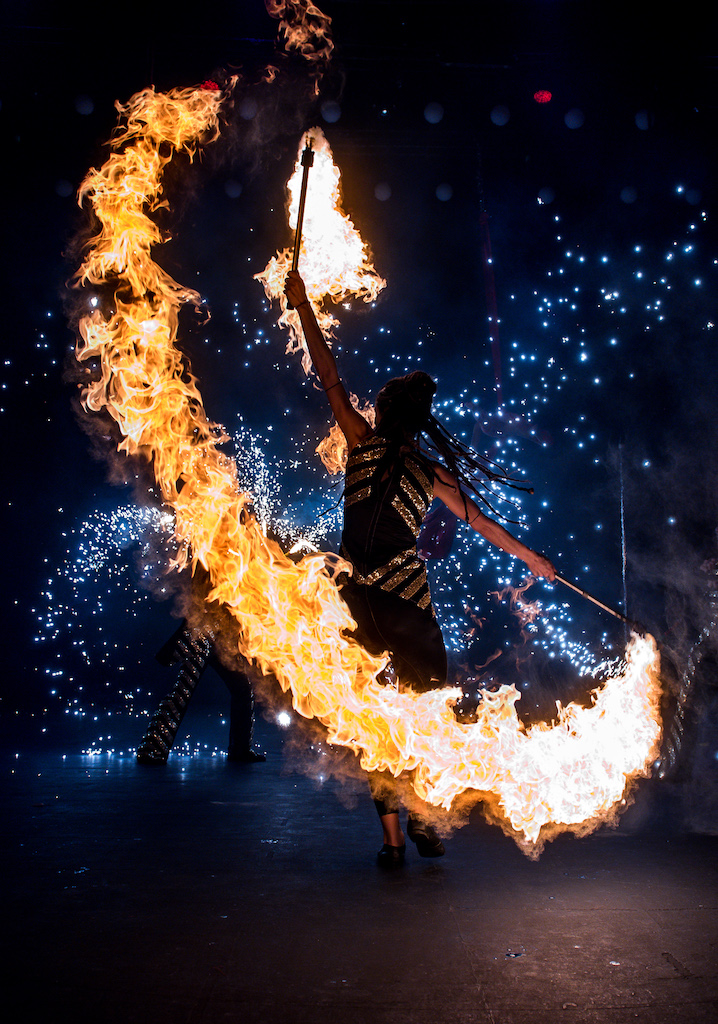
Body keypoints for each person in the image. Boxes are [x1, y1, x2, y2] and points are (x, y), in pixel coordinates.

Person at [284, 271, 555, 865]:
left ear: (382, 415)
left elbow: (327, 375)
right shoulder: (433, 474)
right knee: (427, 706)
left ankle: (393, 841)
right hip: (407, 604)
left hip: (359, 604)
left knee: (380, 715)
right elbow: (483, 526)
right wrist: (534, 559)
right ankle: (427, 817)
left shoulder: (359, 441)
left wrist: (302, 306)